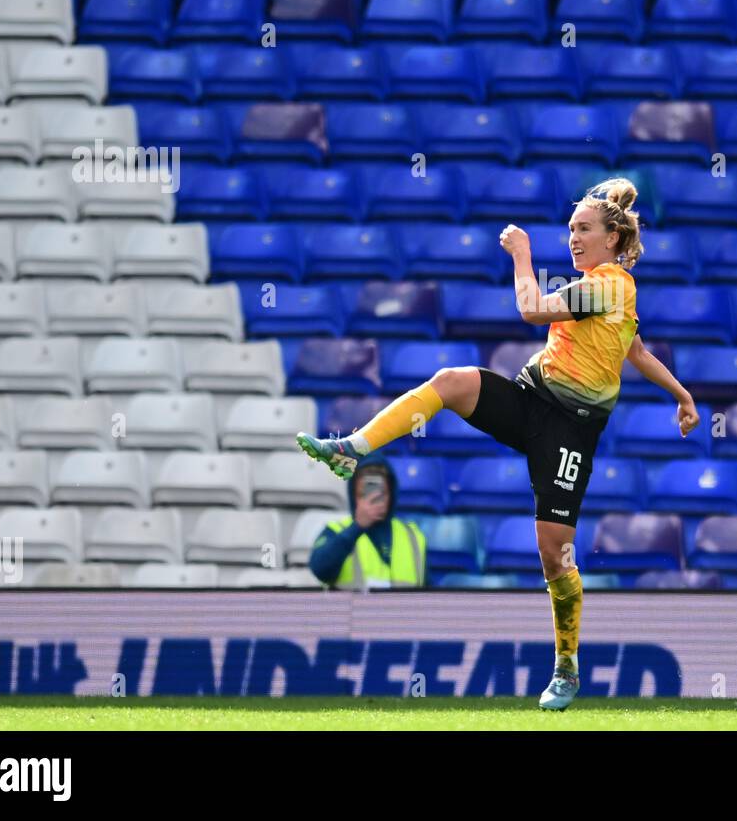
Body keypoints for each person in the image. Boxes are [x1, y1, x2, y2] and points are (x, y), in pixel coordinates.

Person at [296, 179, 699, 709]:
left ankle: (567, 667)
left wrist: (522, 253)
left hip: (570, 431)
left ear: (613, 239)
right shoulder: (607, 291)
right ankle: (353, 448)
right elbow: (637, 348)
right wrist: (683, 395)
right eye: (571, 229)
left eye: (584, 229)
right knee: (450, 381)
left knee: (554, 555)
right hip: (532, 399)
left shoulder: (611, 284)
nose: (574, 238)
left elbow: (531, 308)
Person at [308, 450, 426, 589]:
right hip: (352, 611)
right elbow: (319, 570)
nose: (373, 499)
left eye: (380, 492)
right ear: (354, 495)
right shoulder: (336, 531)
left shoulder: (413, 536)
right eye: (366, 492)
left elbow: (427, 595)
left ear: (390, 493)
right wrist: (357, 526)